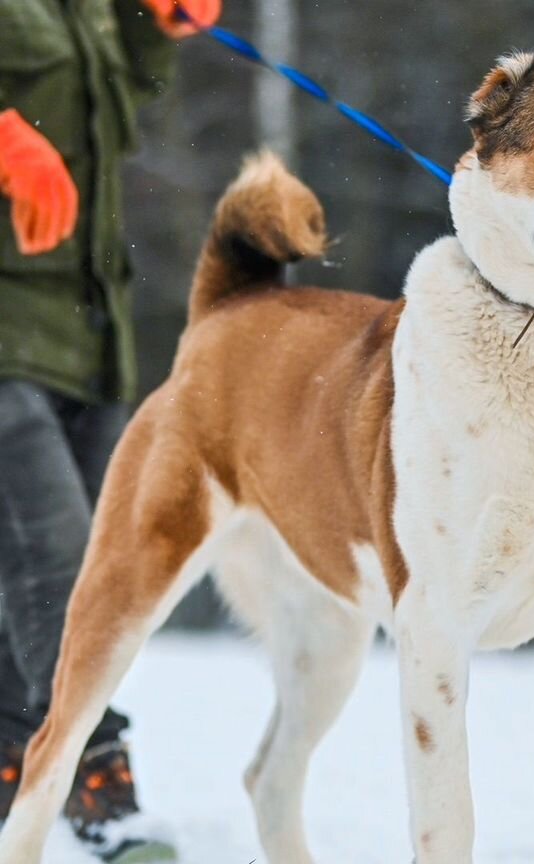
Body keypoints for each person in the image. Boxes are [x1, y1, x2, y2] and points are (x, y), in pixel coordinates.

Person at [0, 1, 220, 860]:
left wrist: (147, 24)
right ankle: (98, 772)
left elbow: (115, 97)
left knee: (82, 561)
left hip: (87, 330)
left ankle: (17, 753)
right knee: (60, 561)